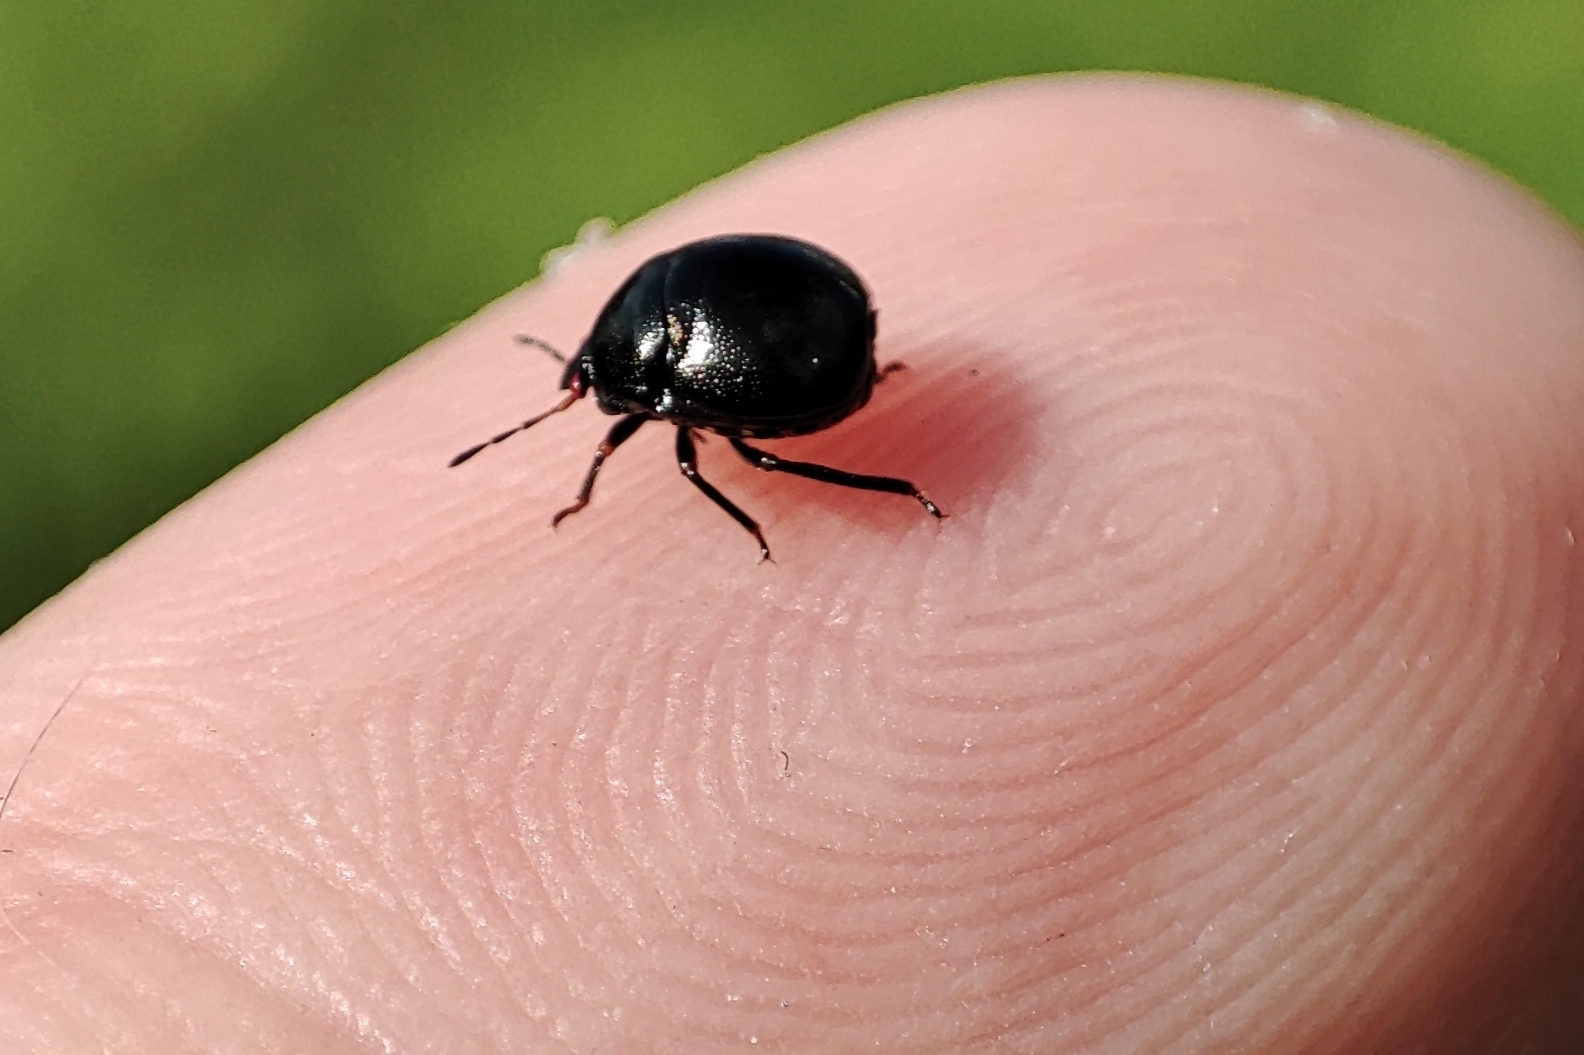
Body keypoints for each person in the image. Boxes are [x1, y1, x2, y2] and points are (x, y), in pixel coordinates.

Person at [2, 75, 1582, 1053]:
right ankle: (881, 465)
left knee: (740, 464)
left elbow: (712, 403)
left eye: (586, 403)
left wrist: (809, 491)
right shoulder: (642, 345)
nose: (585, 421)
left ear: (614, 387)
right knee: (734, 445)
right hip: (789, 311)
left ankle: (878, 475)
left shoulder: (663, 404)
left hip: (790, 338)